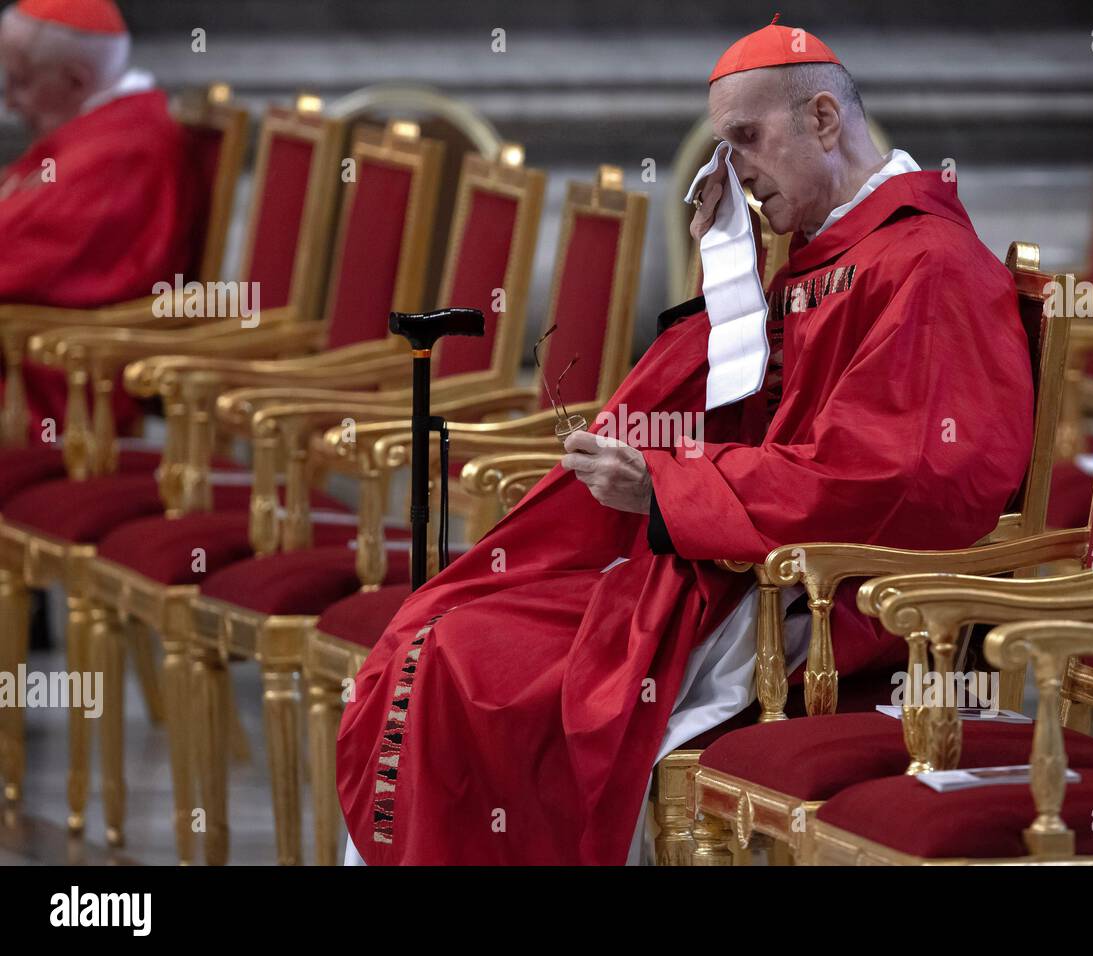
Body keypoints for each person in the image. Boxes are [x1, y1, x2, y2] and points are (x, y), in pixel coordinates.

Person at [336, 18, 1035, 865]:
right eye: (722, 146)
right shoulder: (832, 252)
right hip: (748, 561)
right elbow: (741, 405)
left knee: (466, 658)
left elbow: (892, 482)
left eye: (746, 139)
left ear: (822, 119)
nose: (733, 170)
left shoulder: (926, 265)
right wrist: (730, 273)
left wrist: (668, 488)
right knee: (448, 624)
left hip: (830, 598)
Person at [0, 0, 196, 438]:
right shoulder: (99, 129)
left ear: (75, 79)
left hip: (54, 381)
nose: (10, 103)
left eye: (20, 82)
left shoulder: (124, 151)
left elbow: (21, 253)